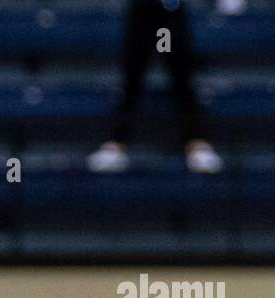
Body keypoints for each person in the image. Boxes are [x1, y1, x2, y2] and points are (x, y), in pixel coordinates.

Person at [87, 0, 223, 175]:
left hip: (167, 16)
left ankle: (197, 144)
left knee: (181, 79)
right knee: (131, 81)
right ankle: (116, 145)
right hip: (142, 14)